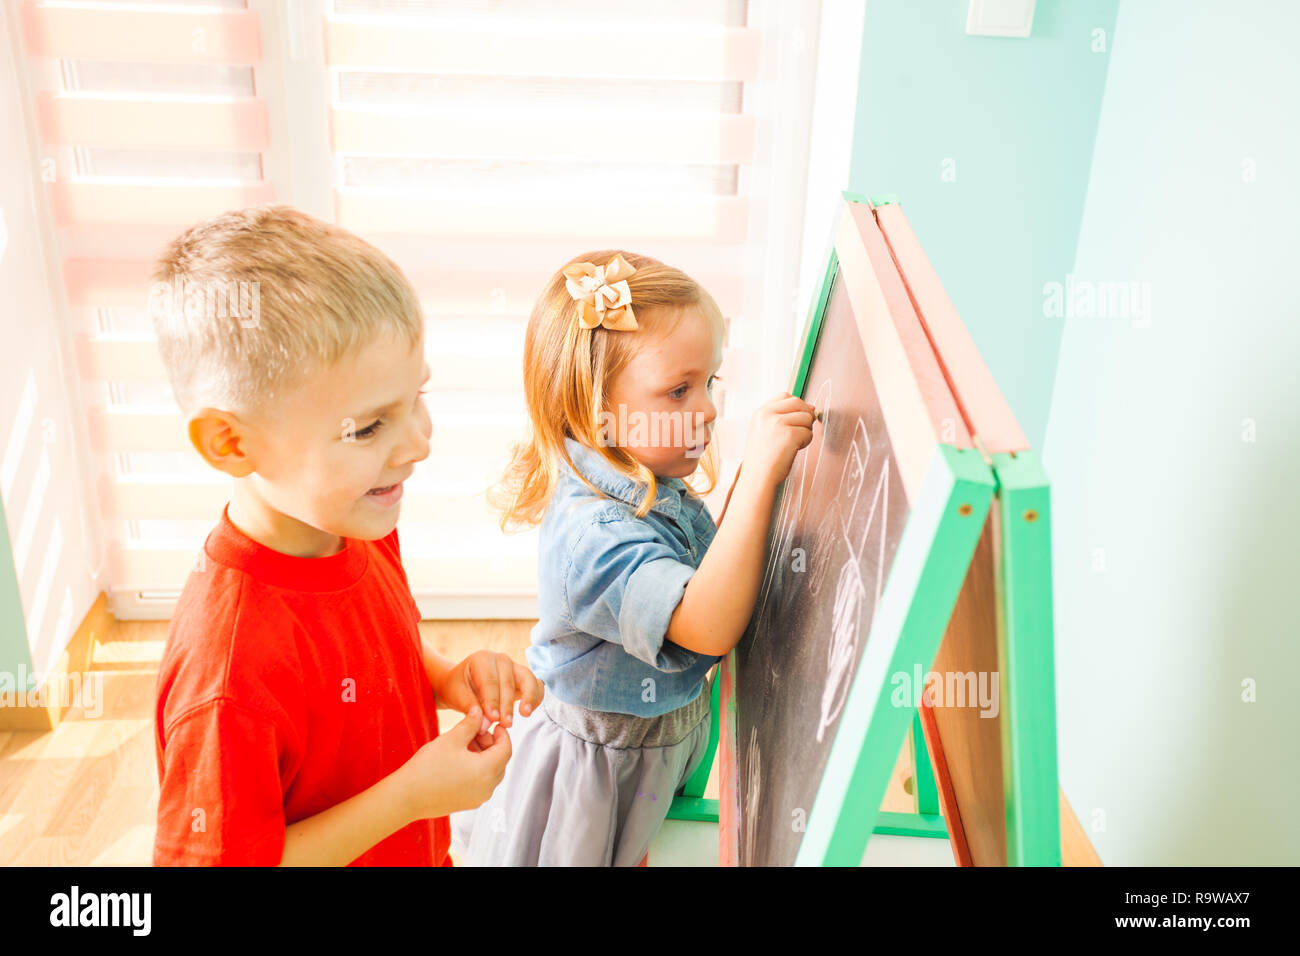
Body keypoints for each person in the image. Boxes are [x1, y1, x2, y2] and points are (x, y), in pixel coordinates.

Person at [150, 205, 542, 866]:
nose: (418, 442)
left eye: (417, 396)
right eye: (367, 428)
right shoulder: (228, 676)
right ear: (231, 441)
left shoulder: (352, 521)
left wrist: (446, 679)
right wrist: (409, 799)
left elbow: (376, 651)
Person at [452, 250, 816, 865]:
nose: (707, 408)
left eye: (710, 382)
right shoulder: (594, 538)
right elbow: (706, 622)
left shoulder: (643, 471)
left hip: (649, 744)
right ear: (599, 413)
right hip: (593, 775)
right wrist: (757, 483)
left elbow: (703, 566)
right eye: (678, 390)